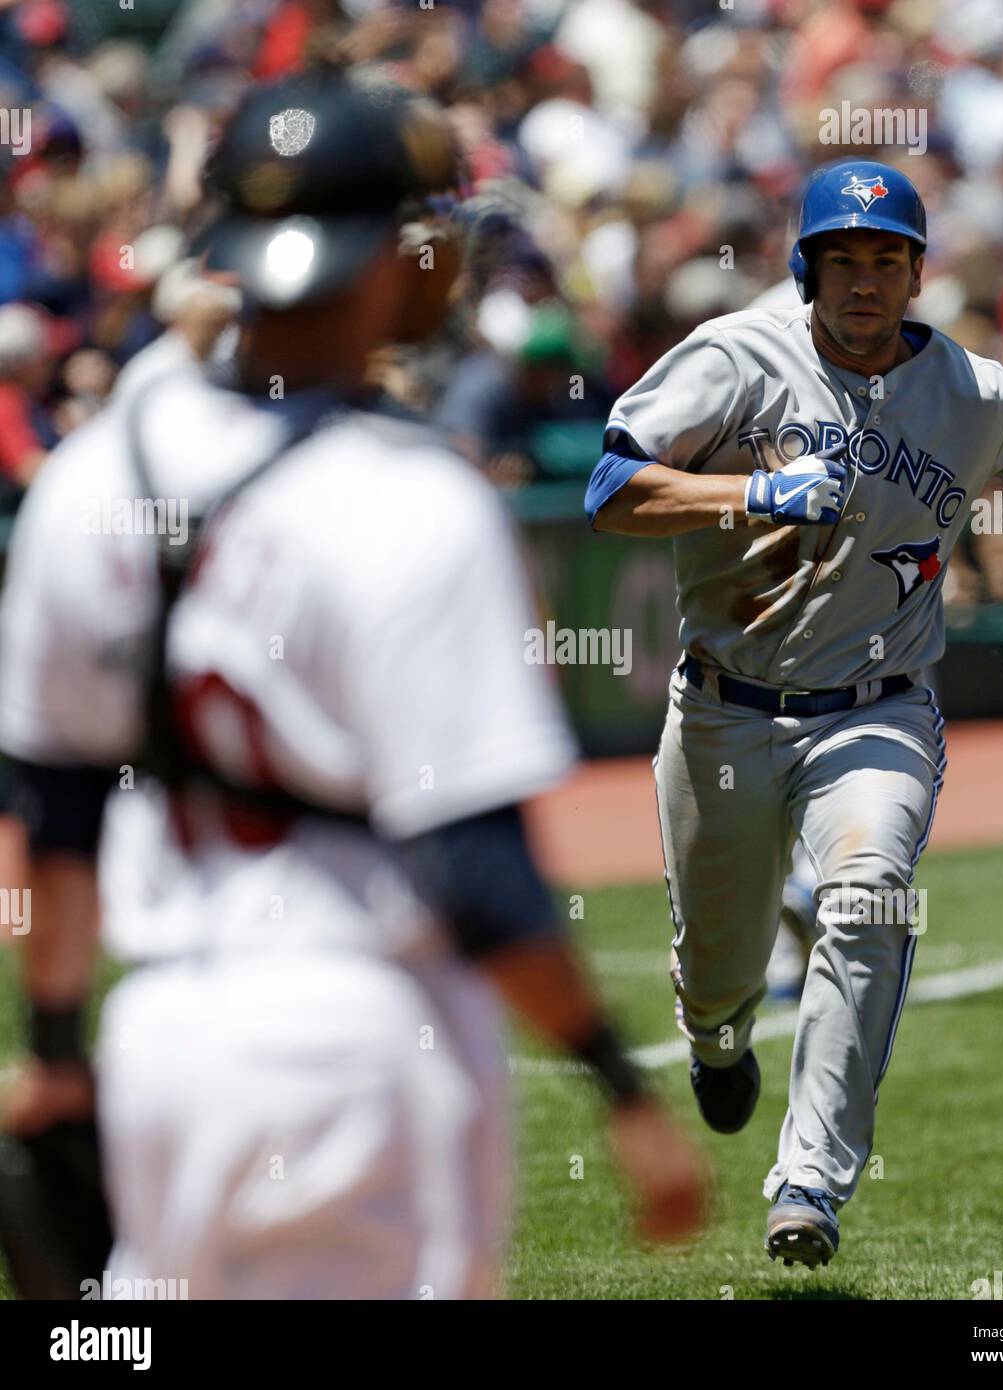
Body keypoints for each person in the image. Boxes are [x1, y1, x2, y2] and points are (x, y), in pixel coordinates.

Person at [0, 67, 705, 1300]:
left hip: (157, 1041)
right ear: (403, 254)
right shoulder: (414, 500)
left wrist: (55, 1047)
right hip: (358, 1046)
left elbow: (53, 821)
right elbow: (477, 868)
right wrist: (618, 1082)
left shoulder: (87, 478)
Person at [585, 157, 1003, 1268]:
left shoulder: (969, 389)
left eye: (887, 260)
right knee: (719, 970)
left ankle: (808, 1177)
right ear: (807, 268)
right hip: (723, 708)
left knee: (866, 900)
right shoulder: (735, 358)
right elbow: (608, 489)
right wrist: (746, 491)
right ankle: (716, 1037)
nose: (866, 281)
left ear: (915, 273)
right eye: (844, 260)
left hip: (880, 707)